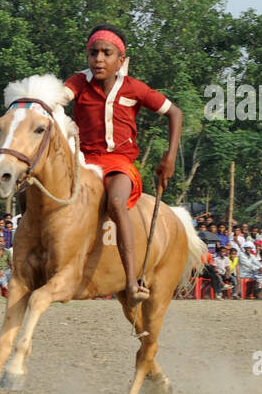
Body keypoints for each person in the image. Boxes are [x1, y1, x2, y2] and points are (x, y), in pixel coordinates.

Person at [57, 24, 182, 302]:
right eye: (93, 53)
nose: (99, 59)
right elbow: (60, 97)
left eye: (106, 53)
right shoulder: (78, 82)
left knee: (115, 202)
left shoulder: (135, 88)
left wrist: (169, 158)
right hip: (84, 163)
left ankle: (131, 281)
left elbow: (175, 113)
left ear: (120, 60)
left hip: (119, 164)